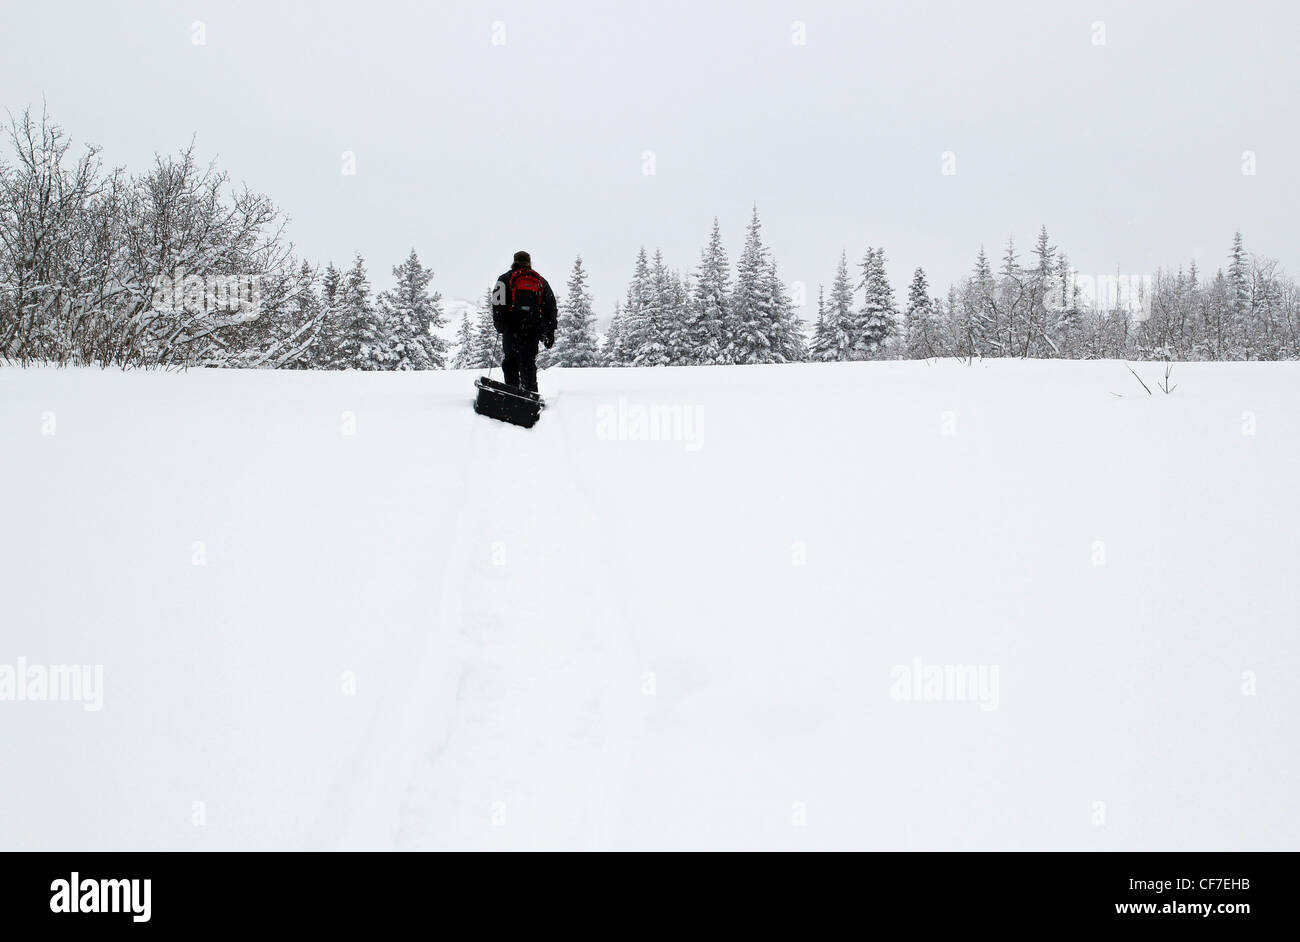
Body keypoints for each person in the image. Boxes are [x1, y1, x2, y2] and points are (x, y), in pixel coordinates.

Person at [491, 250, 557, 393]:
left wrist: (501, 326)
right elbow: (551, 307)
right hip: (532, 330)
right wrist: (549, 332)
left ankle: (511, 396)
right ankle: (531, 399)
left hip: (511, 329)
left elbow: (497, 304)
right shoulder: (541, 281)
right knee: (528, 363)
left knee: (511, 363)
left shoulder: (503, 279)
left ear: (514, 262)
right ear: (529, 263)